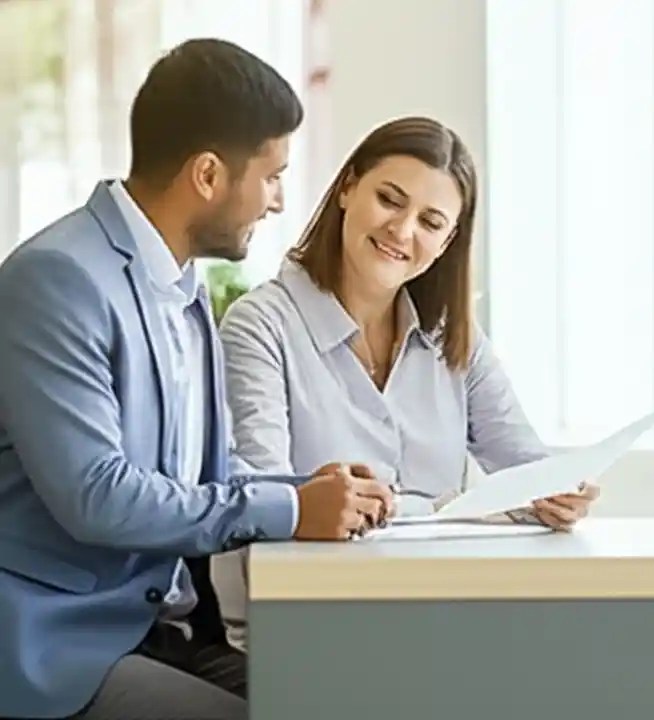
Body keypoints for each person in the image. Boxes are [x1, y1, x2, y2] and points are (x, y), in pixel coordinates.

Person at [0, 39, 393, 720]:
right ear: (208, 174)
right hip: (62, 647)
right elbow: (98, 495)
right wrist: (293, 514)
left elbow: (196, 472)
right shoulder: (58, 279)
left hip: (162, 630)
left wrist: (311, 490)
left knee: (350, 700)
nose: (277, 201)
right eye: (271, 176)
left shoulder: (181, 287)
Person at [210, 116, 598, 648]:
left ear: (448, 241)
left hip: (435, 624)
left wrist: (558, 491)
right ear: (348, 187)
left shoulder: (455, 338)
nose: (402, 230)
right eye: (390, 199)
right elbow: (260, 502)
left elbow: (528, 468)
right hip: (306, 635)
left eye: (431, 221)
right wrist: (438, 509)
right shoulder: (262, 325)